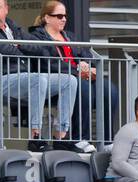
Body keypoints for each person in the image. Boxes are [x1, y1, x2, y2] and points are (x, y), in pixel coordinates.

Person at [0, 0, 74, 150]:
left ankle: (61, 136)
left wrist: (17, 45)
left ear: (6, 9)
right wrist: (21, 50)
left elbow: (40, 47)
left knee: (69, 80)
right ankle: (35, 137)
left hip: (22, 79)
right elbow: (3, 49)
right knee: (38, 78)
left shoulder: (13, 27)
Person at [29, 0, 113, 146]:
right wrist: (76, 71)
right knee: (84, 89)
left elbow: (85, 53)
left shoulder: (69, 36)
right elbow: (49, 63)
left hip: (78, 75)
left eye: (65, 16)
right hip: (57, 81)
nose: (64, 19)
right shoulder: (38, 36)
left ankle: (106, 140)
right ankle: (79, 138)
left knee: (108, 90)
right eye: (59, 16)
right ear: (47, 18)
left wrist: (89, 66)